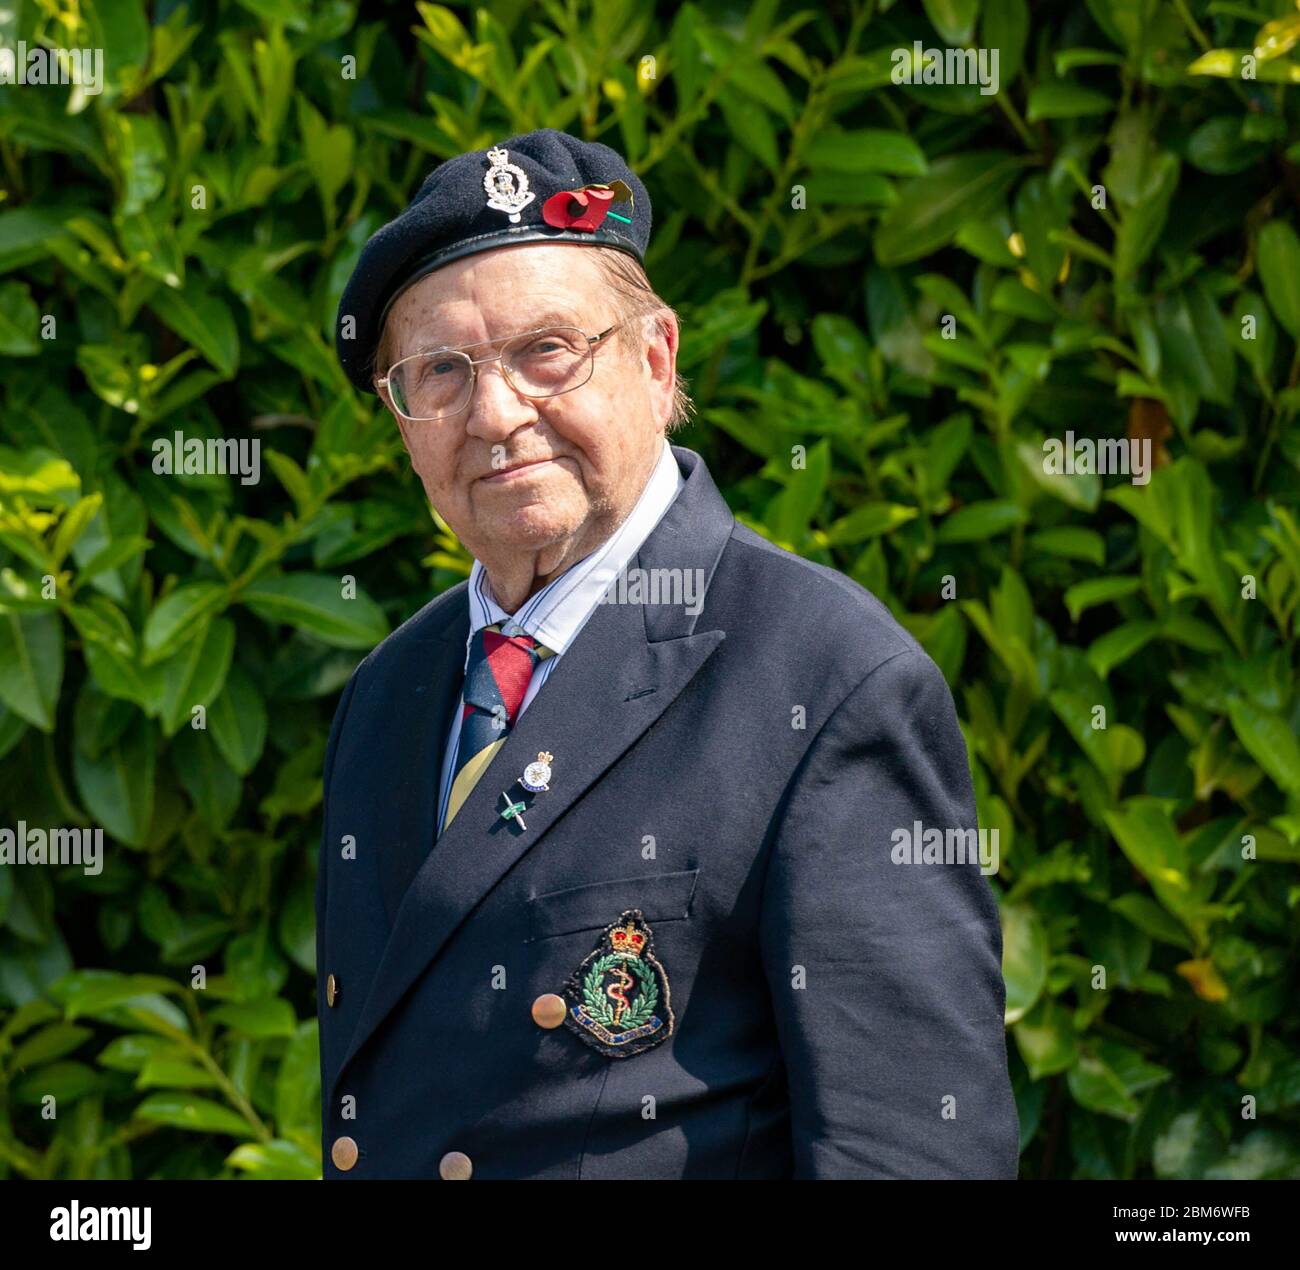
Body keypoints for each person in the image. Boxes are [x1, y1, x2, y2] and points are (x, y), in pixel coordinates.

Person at [318, 127, 1019, 1179]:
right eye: (441, 373)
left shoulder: (827, 682)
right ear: (402, 415)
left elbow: (910, 1152)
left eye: (546, 350)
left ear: (655, 360)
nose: (496, 412)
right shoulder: (387, 696)